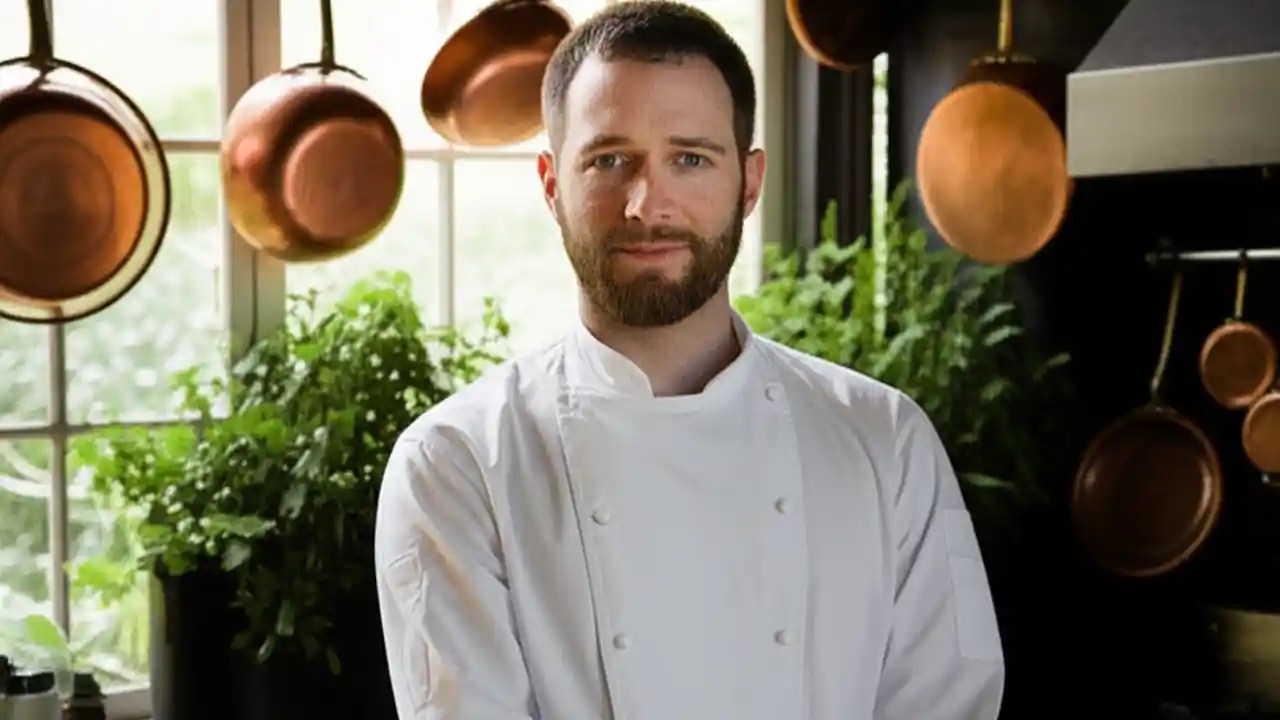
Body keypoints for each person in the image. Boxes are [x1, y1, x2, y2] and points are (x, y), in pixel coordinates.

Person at [374, 1, 1005, 718]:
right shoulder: (458, 463)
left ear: (749, 182)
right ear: (552, 185)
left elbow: (949, 706)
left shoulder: (884, 440)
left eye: (691, 158)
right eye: (610, 160)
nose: (647, 204)